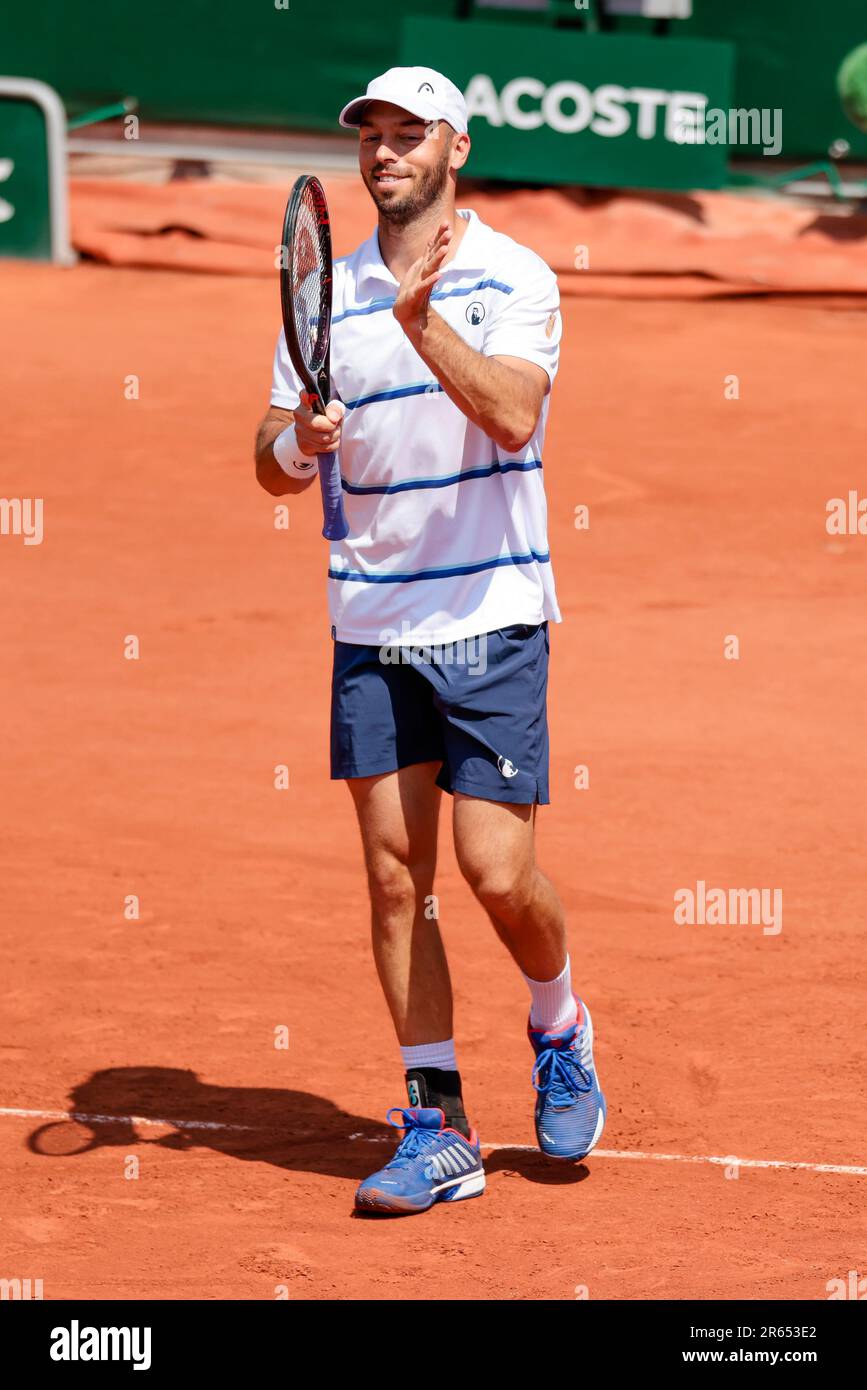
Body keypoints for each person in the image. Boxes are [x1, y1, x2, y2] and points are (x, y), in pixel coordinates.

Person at [254, 66, 605, 1216]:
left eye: (411, 135)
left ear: (458, 146)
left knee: (495, 872)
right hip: (372, 620)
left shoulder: (515, 274)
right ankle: (436, 1121)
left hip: (491, 615)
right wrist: (299, 442)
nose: (386, 152)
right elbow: (267, 452)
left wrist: (422, 326)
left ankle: (558, 1021)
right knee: (395, 878)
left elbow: (511, 410)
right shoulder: (325, 291)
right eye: (373, 136)